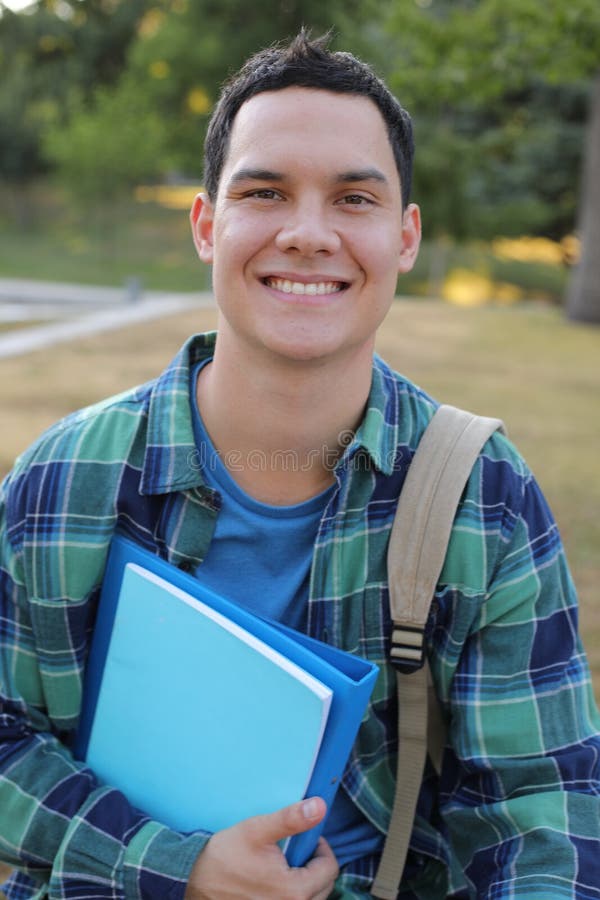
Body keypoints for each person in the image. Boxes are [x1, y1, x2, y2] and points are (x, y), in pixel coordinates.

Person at [1, 30, 599, 900]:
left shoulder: (483, 497)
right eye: (266, 191)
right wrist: (180, 867)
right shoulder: (62, 482)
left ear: (405, 237)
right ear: (208, 226)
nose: (308, 234)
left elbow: (541, 813)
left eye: (354, 198)